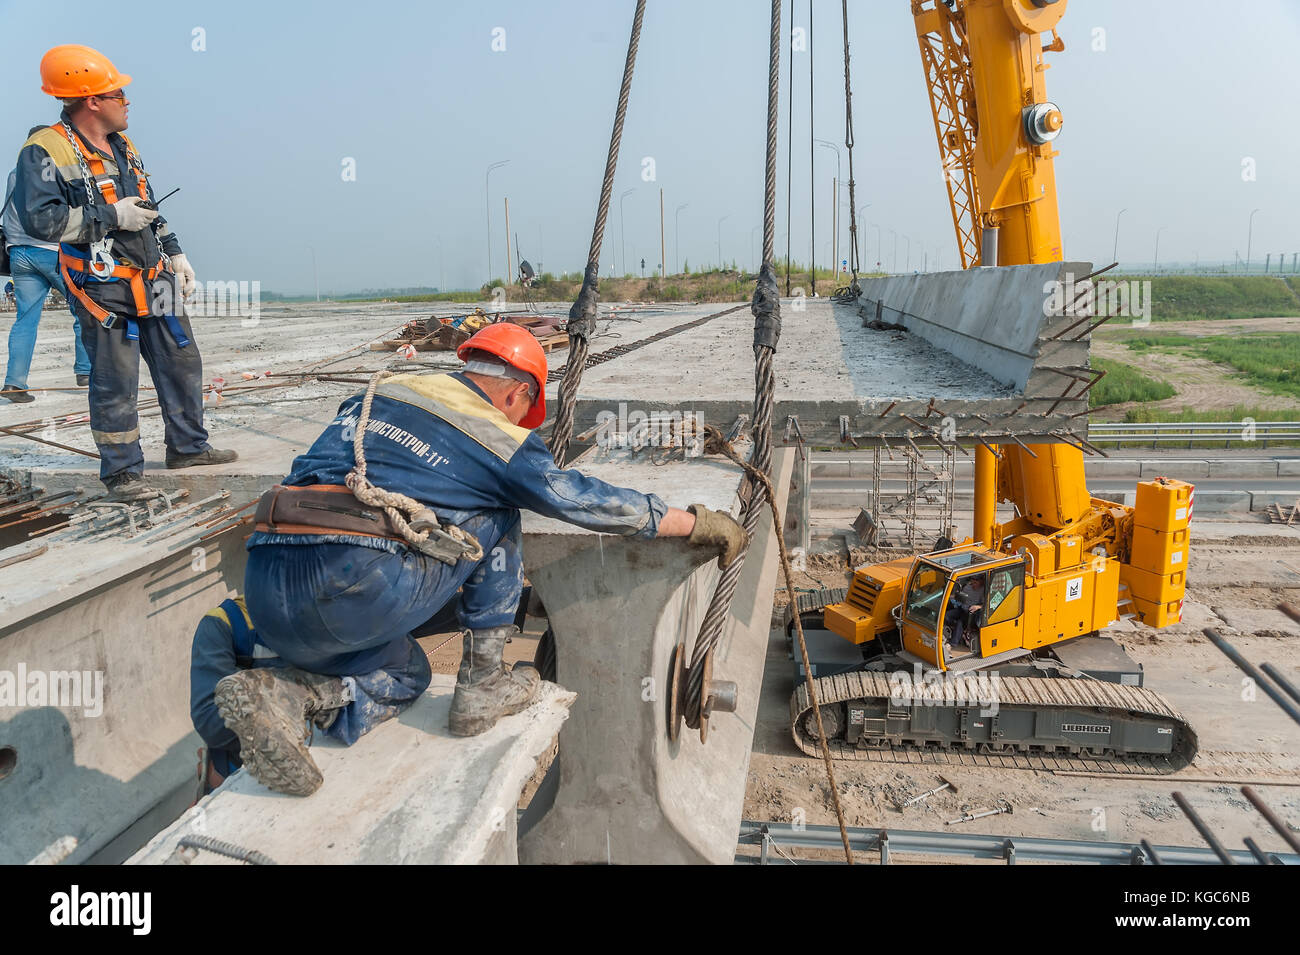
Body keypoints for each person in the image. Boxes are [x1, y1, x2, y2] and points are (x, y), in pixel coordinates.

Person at [216, 322, 747, 796]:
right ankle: (482, 683)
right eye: (525, 415)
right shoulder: (497, 435)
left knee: (407, 674)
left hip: (265, 588)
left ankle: (288, 696)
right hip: (359, 589)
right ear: (518, 393)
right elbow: (581, 499)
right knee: (500, 509)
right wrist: (693, 522)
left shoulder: (378, 394)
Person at [13, 45, 235, 499]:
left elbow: (148, 204)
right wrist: (111, 218)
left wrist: (174, 250)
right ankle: (122, 473)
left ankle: (188, 447)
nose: (127, 101)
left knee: (181, 362)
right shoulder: (44, 150)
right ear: (91, 99)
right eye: (118, 94)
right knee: (115, 379)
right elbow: (41, 222)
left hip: (154, 276)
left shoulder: (122, 144)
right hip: (102, 284)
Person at [2, 130, 93, 404]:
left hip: (17, 252)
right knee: (84, 308)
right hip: (51, 251)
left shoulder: (14, 173)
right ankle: (86, 372)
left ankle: (14, 383)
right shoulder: (52, 170)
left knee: (25, 320)